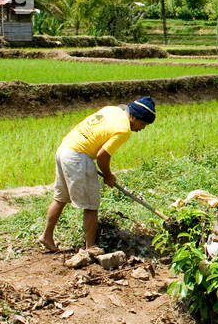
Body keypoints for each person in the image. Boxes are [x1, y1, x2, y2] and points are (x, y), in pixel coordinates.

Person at [40, 96, 156, 252]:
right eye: (143, 123)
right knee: (91, 206)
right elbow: (103, 155)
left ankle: (46, 236)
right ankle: (91, 247)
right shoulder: (123, 130)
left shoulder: (112, 109)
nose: (142, 128)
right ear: (133, 117)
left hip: (64, 149)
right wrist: (108, 175)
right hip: (78, 157)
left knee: (60, 198)